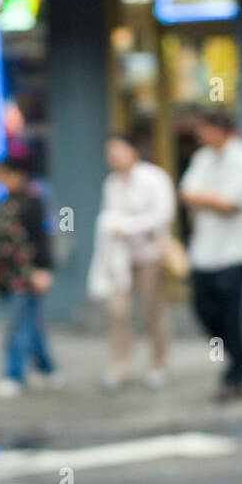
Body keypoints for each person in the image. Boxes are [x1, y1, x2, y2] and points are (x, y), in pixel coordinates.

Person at [179, 110, 242, 402]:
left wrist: (206, 197)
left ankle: (235, 371)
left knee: (231, 315)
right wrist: (212, 198)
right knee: (204, 309)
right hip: (204, 251)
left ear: (220, 129)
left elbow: (231, 203)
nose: (199, 135)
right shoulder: (203, 159)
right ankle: (241, 355)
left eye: (204, 129)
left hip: (234, 251)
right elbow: (187, 192)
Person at [86, 132, 176, 393]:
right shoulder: (111, 183)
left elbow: (163, 215)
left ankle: (158, 365)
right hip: (120, 259)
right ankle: (120, 366)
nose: (113, 157)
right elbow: (107, 217)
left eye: (118, 150)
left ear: (133, 151)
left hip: (150, 255)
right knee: (118, 313)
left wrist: (128, 226)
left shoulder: (154, 178)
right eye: (110, 152)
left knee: (152, 311)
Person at [0, 155, 60, 398]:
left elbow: (43, 239)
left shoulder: (33, 201)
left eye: (3, 174)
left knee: (18, 324)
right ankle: (48, 369)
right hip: (7, 276)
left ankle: (13, 375)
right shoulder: (2, 203)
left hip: (27, 274)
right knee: (30, 323)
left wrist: (44, 269)